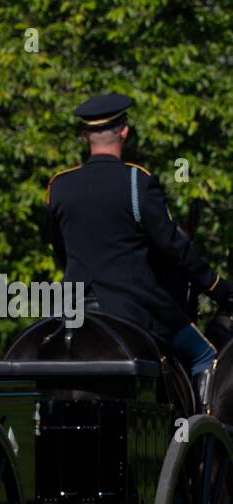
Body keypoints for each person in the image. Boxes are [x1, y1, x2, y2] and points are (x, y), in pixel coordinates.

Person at [45, 92, 233, 406]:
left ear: (84, 135)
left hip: (69, 306)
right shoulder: (137, 182)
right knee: (204, 355)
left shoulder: (60, 185)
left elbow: (58, 247)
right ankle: (202, 440)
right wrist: (219, 289)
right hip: (133, 305)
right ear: (124, 131)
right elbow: (175, 249)